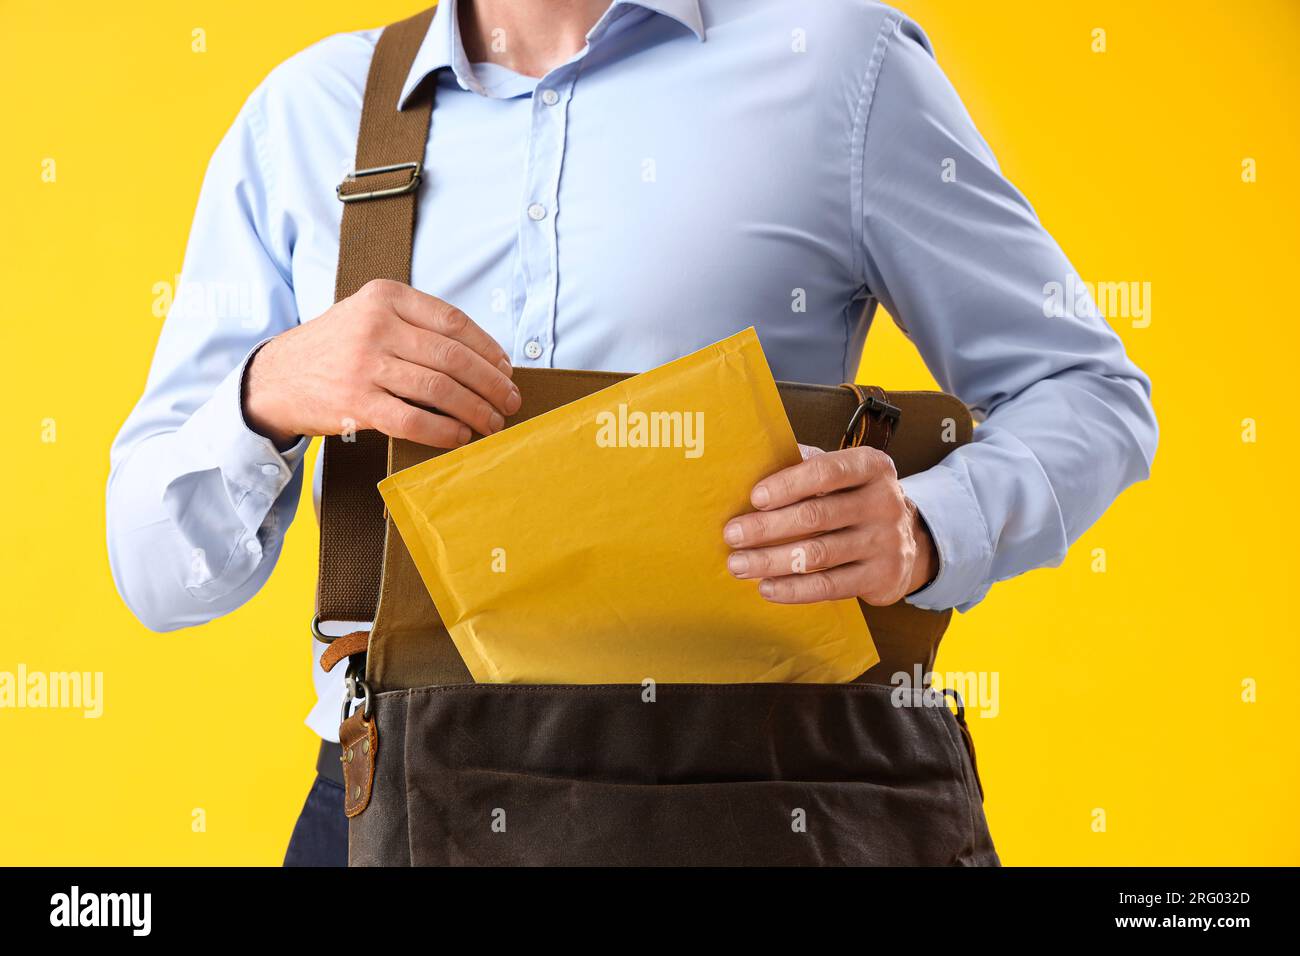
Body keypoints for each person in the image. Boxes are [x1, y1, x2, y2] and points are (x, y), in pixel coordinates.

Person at [107, 0, 1157, 866]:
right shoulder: (310, 115)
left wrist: (925, 528)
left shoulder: (841, 63)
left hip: (761, 792)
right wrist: (264, 391)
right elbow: (155, 572)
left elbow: (1088, 390)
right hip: (396, 809)